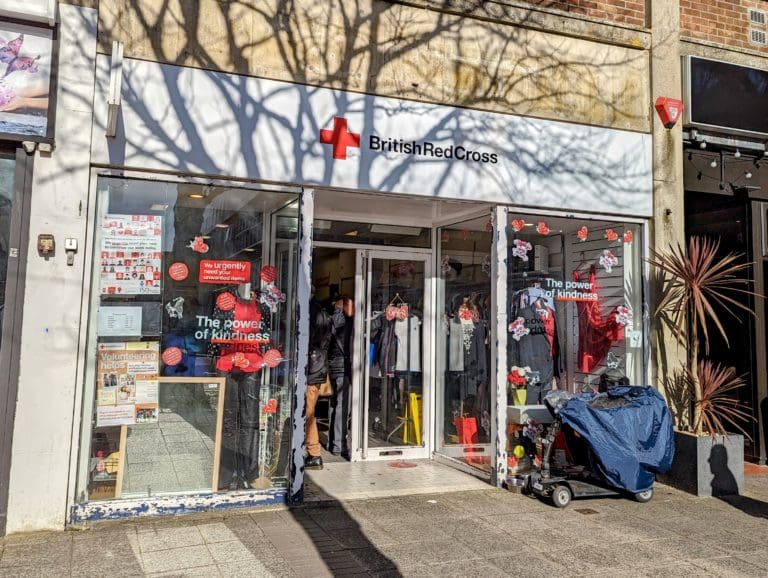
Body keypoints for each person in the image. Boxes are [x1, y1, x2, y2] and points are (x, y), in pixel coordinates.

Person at [305, 287, 331, 469]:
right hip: (317, 368)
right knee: (308, 412)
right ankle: (313, 452)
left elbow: (306, 339)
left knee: (307, 413)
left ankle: (314, 454)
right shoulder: (322, 312)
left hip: (310, 369)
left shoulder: (310, 312)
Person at [328, 296, 354, 458]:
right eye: (351, 304)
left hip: (333, 367)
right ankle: (339, 444)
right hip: (342, 368)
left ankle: (334, 443)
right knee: (343, 407)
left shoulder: (333, 319)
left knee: (335, 406)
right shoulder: (345, 322)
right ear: (344, 306)